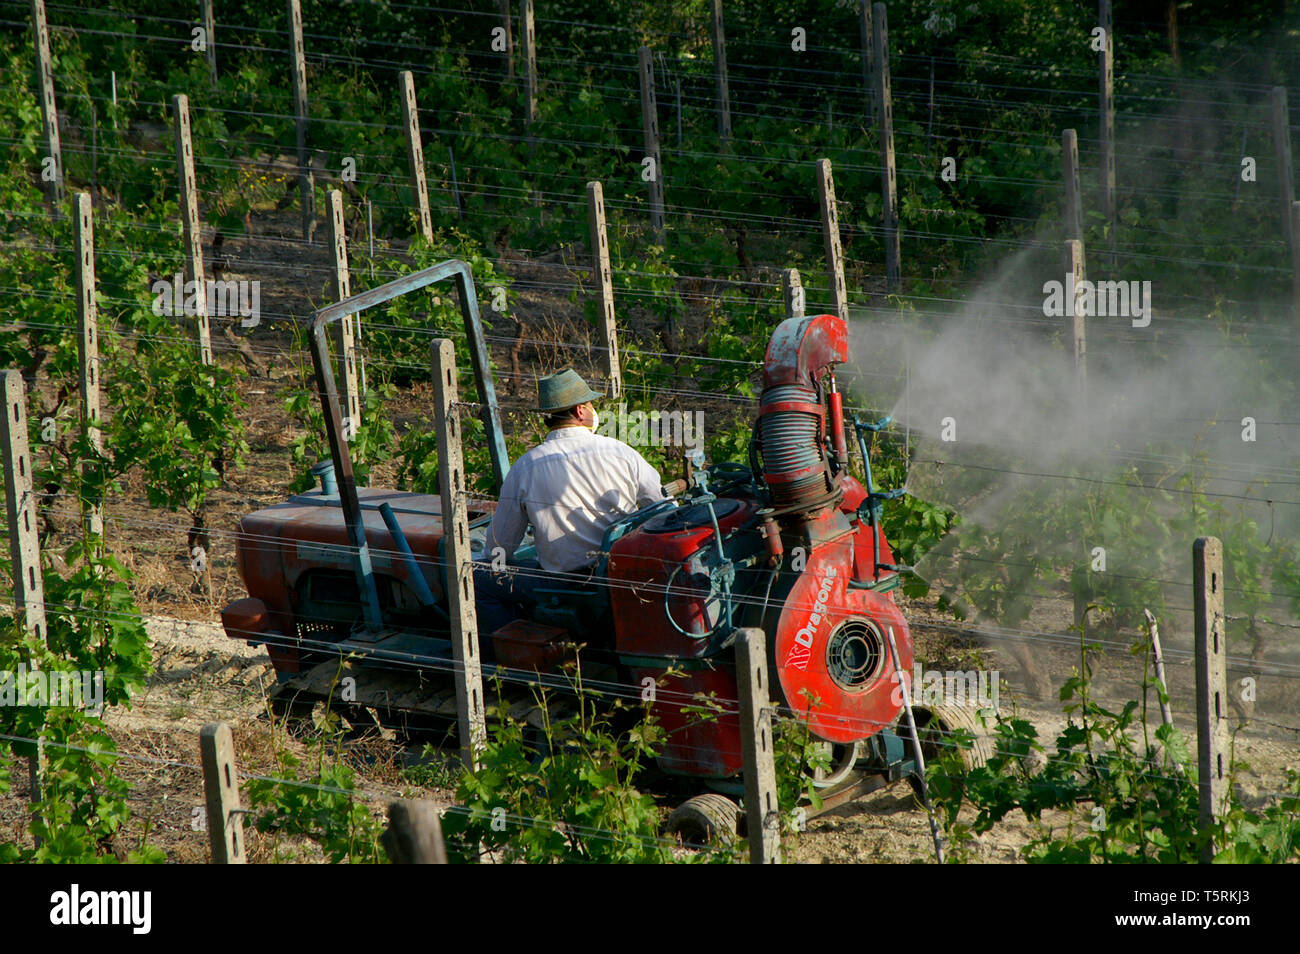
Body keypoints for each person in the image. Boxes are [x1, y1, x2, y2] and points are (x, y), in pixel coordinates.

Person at [474, 368, 667, 637]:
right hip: (617, 577)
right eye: (590, 404)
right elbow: (662, 509)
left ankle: (511, 663)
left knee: (480, 580)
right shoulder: (622, 453)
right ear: (579, 411)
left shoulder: (525, 467)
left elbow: (500, 547)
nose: (592, 409)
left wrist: (493, 559)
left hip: (561, 583)